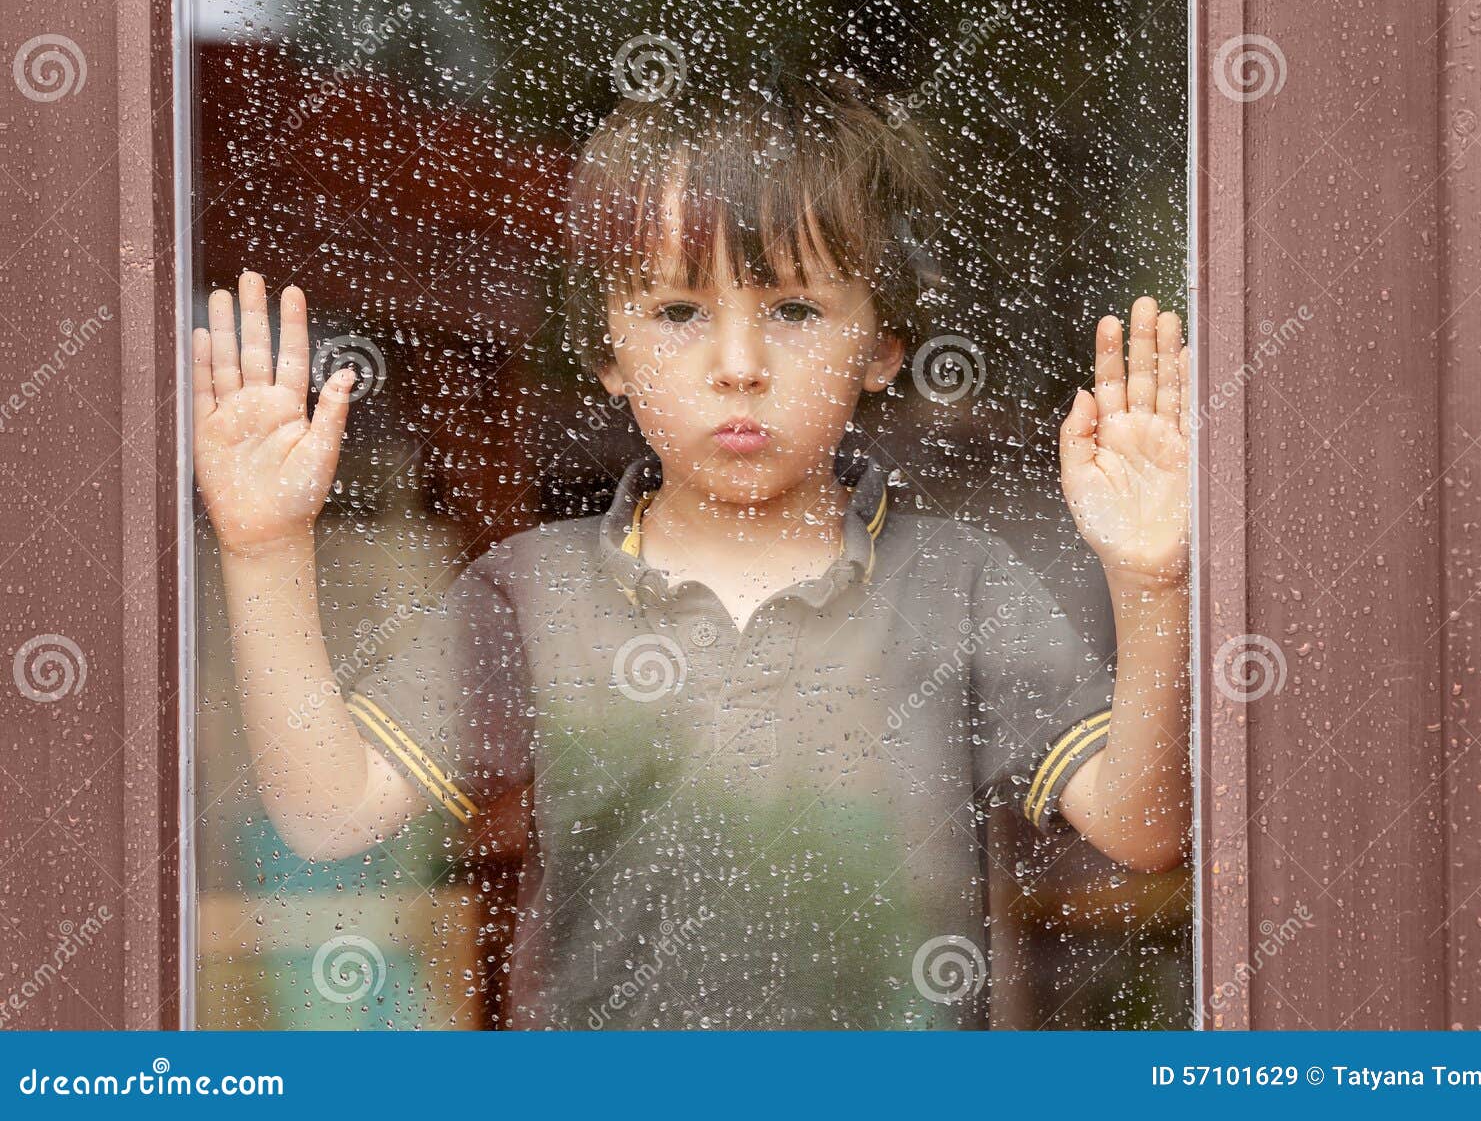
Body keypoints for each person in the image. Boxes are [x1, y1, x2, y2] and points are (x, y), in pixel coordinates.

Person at [192, 71, 1190, 1029]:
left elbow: (1143, 829)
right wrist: (264, 544)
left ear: (883, 341)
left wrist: (1152, 584)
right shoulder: (534, 591)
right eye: (677, 312)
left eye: (794, 309)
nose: (739, 366)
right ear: (605, 346)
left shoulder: (960, 582)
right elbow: (329, 816)